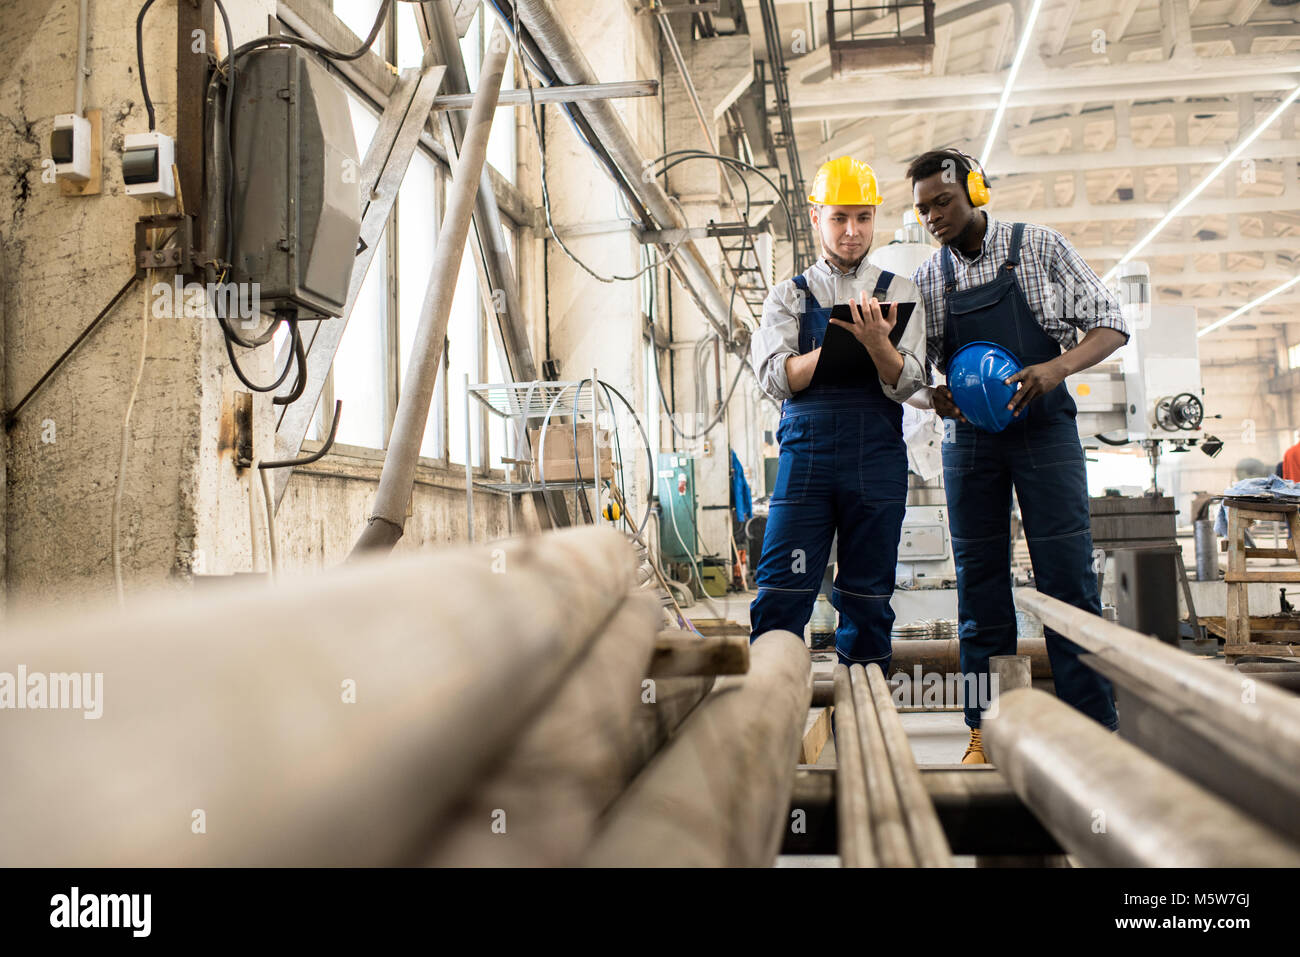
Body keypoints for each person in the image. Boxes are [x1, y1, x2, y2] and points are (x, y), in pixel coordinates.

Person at [908, 148, 1128, 763]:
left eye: (943, 202)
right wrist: (936, 397)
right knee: (979, 589)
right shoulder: (929, 279)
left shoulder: (1039, 247)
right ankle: (989, 727)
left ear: (975, 190)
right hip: (971, 441)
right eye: (923, 210)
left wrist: (1055, 368)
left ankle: (1092, 726)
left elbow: (1111, 321)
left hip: (1044, 430)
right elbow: (910, 372)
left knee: (1067, 580)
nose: (933, 217)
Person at [749, 156, 927, 671]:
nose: (852, 232)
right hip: (807, 459)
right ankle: (770, 720)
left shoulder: (901, 292)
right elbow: (776, 378)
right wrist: (846, 344)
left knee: (868, 597)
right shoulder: (788, 296)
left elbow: (910, 382)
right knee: (783, 588)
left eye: (863, 218)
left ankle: (864, 719)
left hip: (877, 459)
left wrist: (879, 346)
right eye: (839, 217)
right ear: (815, 218)